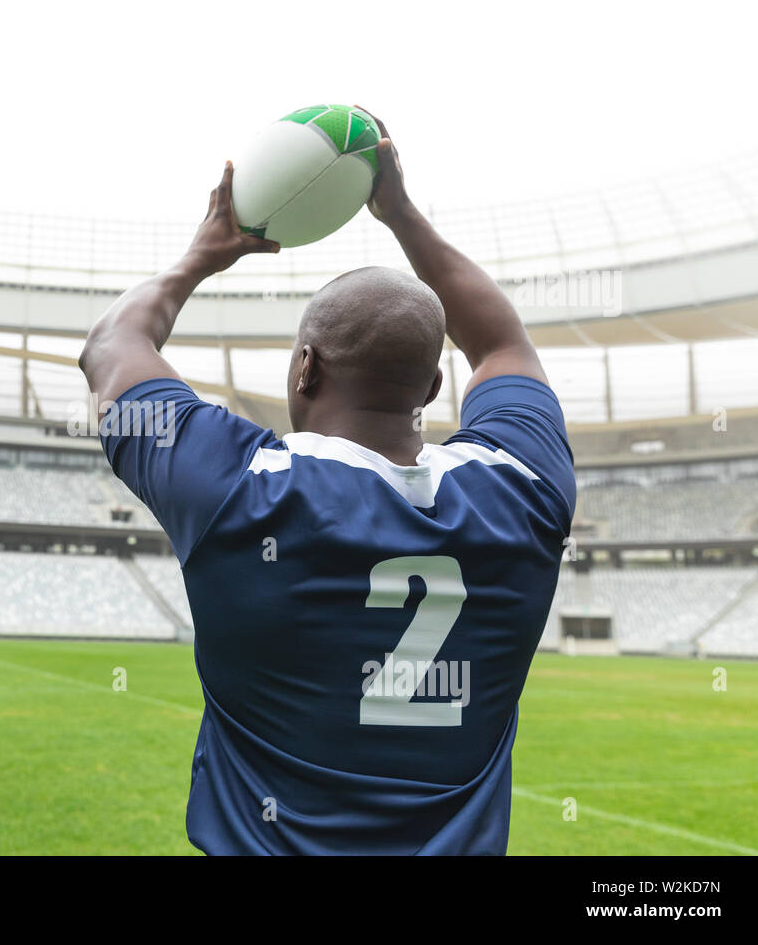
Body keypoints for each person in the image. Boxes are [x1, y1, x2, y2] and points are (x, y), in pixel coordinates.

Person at [78, 111, 575, 855]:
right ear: (436, 385)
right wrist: (401, 214)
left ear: (306, 367)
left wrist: (200, 257)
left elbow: (111, 347)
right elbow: (503, 342)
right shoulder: (524, 490)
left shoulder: (238, 490)